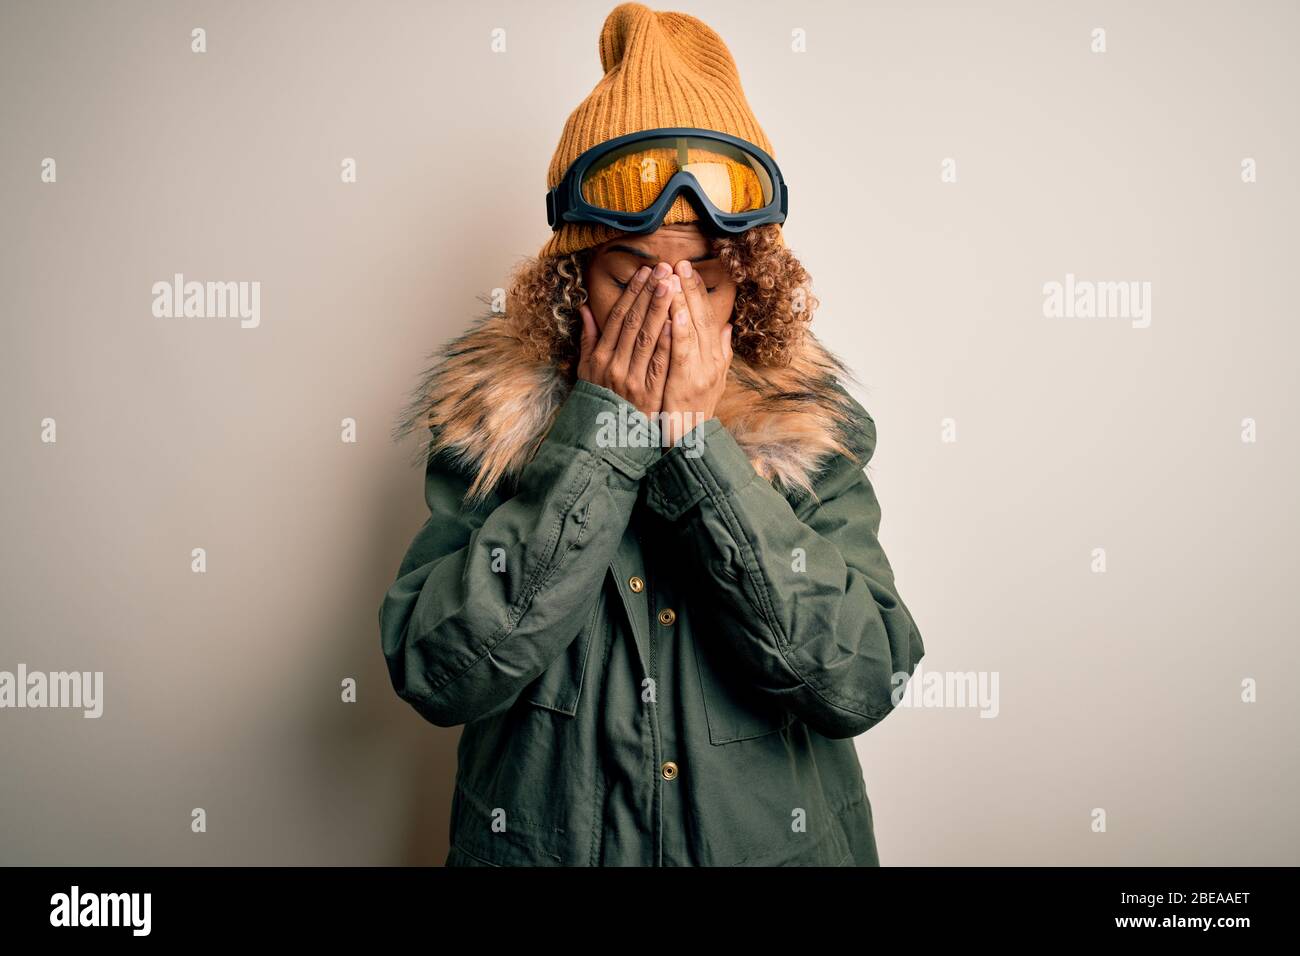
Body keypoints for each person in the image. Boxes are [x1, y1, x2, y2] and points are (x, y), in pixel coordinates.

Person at [379, 1, 924, 866]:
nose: (669, 308)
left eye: (703, 274)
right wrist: (601, 441)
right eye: (633, 274)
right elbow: (440, 672)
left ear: (749, 283)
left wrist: (701, 448)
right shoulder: (490, 426)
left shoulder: (808, 433)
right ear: (572, 281)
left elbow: (861, 679)